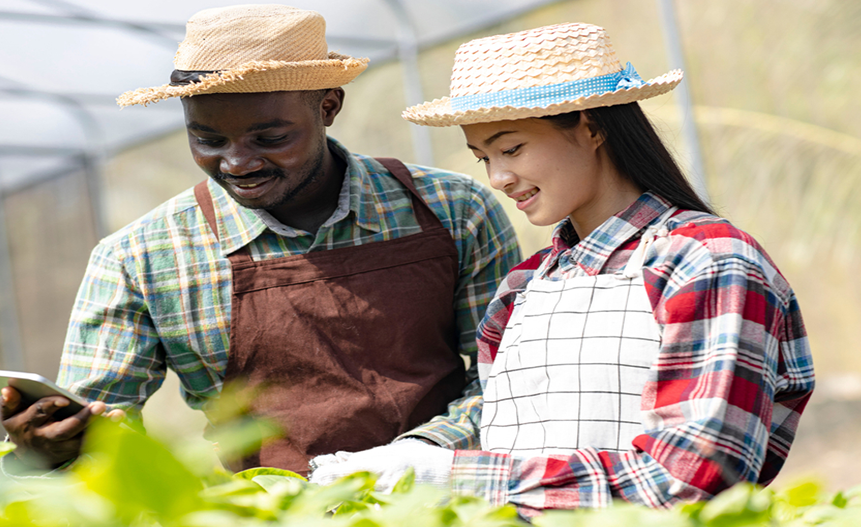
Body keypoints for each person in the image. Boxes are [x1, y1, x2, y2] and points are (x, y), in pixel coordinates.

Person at [309, 22, 815, 517]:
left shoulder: (703, 261)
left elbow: (693, 478)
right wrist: (403, 458)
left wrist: (450, 475)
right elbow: (504, 423)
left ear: (592, 127)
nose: (498, 178)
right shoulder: (523, 287)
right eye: (483, 157)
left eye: (511, 148)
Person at [0, 4, 521, 476]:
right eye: (207, 139)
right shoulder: (140, 258)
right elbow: (99, 425)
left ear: (328, 106)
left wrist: (420, 453)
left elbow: (513, 380)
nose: (238, 163)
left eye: (270, 138)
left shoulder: (453, 209)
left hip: (443, 497)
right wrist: (52, 448)